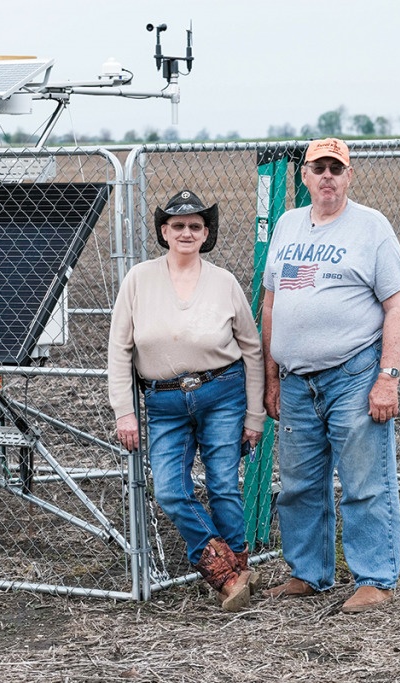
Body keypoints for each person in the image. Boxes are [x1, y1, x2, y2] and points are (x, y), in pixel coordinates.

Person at [260, 138, 400, 614]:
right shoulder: (286, 224)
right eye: (318, 168)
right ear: (304, 176)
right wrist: (270, 377)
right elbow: (270, 303)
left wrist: (387, 377)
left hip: (353, 375)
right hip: (296, 380)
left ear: (350, 176)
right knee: (300, 485)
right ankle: (309, 573)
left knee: (364, 482)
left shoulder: (371, 227)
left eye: (336, 168)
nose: (327, 176)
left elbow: (398, 303)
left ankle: (374, 578)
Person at [108, 189, 266, 612]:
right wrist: (125, 411)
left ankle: (234, 576)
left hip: (222, 393)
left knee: (221, 485)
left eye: (195, 226)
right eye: (177, 225)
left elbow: (251, 349)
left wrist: (255, 414)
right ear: (164, 231)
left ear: (205, 233)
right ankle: (227, 569)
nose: (186, 232)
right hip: (164, 403)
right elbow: (119, 349)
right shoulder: (139, 280)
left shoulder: (224, 282)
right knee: (172, 491)